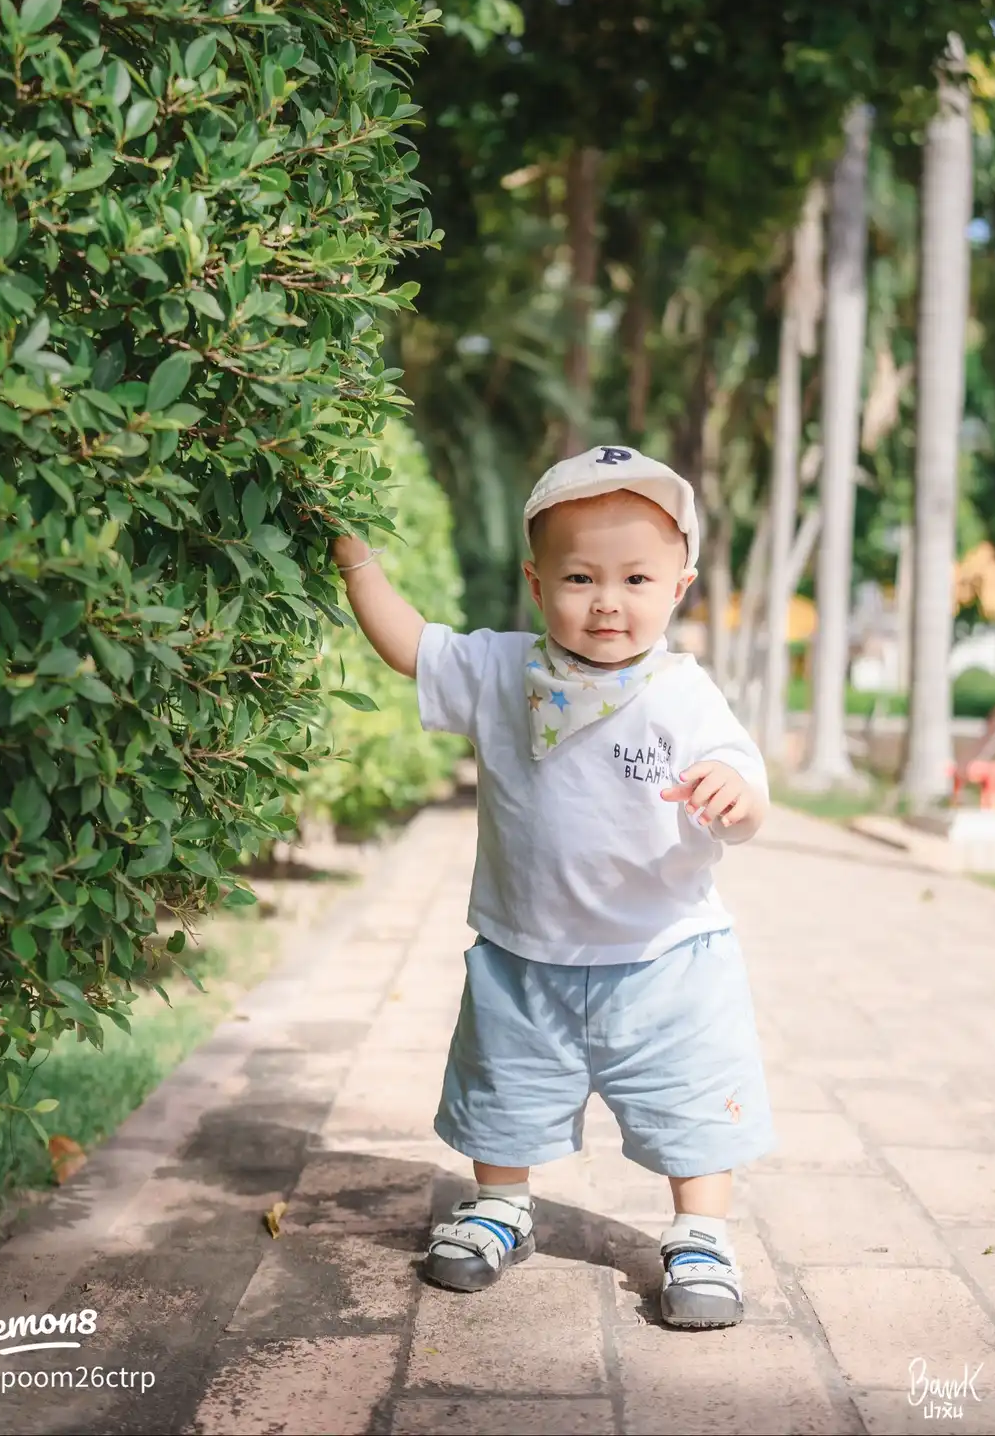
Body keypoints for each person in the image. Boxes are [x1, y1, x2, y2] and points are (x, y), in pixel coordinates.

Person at [330, 444, 774, 1329]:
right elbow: (411, 646)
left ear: (678, 587)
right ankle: (500, 1203)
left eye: (637, 578)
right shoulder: (499, 671)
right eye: (580, 577)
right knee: (505, 1092)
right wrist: (355, 558)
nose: (608, 600)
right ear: (537, 584)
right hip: (522, 954)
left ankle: (700, 1232)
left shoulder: (685, 694)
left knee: (691, 1098)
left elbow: (743, 786)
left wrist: (737, 802)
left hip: (667, 960)